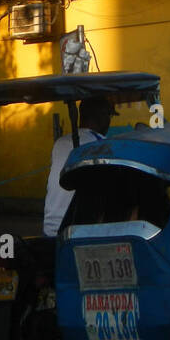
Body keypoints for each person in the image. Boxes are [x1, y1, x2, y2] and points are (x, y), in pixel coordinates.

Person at [43, 96, 115, 236]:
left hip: (50, 228)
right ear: (102, 116)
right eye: (110, 115)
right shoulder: (101, 145)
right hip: (77, 232)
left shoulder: (60, 143)